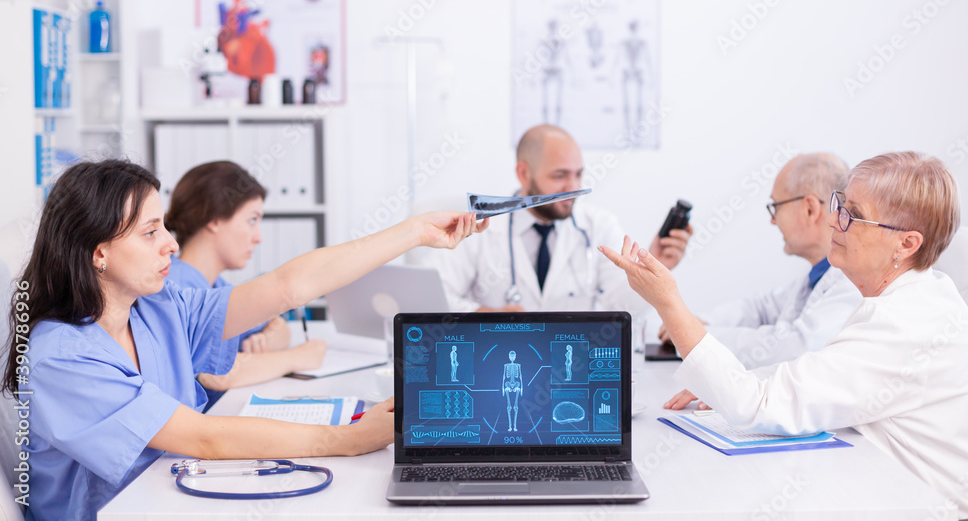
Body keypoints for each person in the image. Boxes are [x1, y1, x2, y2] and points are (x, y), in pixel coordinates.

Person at [3, 159, 487, 521]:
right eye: (150, 232)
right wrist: (348, 439)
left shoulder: (158, 308)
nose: (172, 243)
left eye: (164, 226)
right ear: (99, 253)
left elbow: (288, 287)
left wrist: (415, 233)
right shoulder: (60, 357)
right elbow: (203, 436)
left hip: (171, 496)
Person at [601, 152, 968, 517]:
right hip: (899, 490)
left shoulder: (905, 323)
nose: (833, 220)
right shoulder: (907, 299)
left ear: (906, 243)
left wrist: (668, 303)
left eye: (853, 215)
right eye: (840, 205)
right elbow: (810, 373)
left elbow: (756, 405)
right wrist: (729, 379)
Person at [432, 124, 690, 313]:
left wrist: (653, 273)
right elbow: (433, 298)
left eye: (578, 174)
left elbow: (622, 310)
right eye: (559, 176)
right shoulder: (479, 227)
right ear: (523, 174)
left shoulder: (599, 226)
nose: (573, 187)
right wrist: (484, 315)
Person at [659, 153, 862, 367]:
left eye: (776, 207)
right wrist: (697, 323)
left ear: (809, 209)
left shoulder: (853, 284)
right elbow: (762, 309)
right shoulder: (817, 277)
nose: (773, 220)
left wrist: (694, 335)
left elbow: (796, 348)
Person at [163, 161, 326, 410]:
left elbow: (278, 324)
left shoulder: (216, 285)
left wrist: (266, 340)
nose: (258, 237)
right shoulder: (175, 286)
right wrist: (298, 357)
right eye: (252, 220)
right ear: (215, 219)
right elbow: (216, 375)